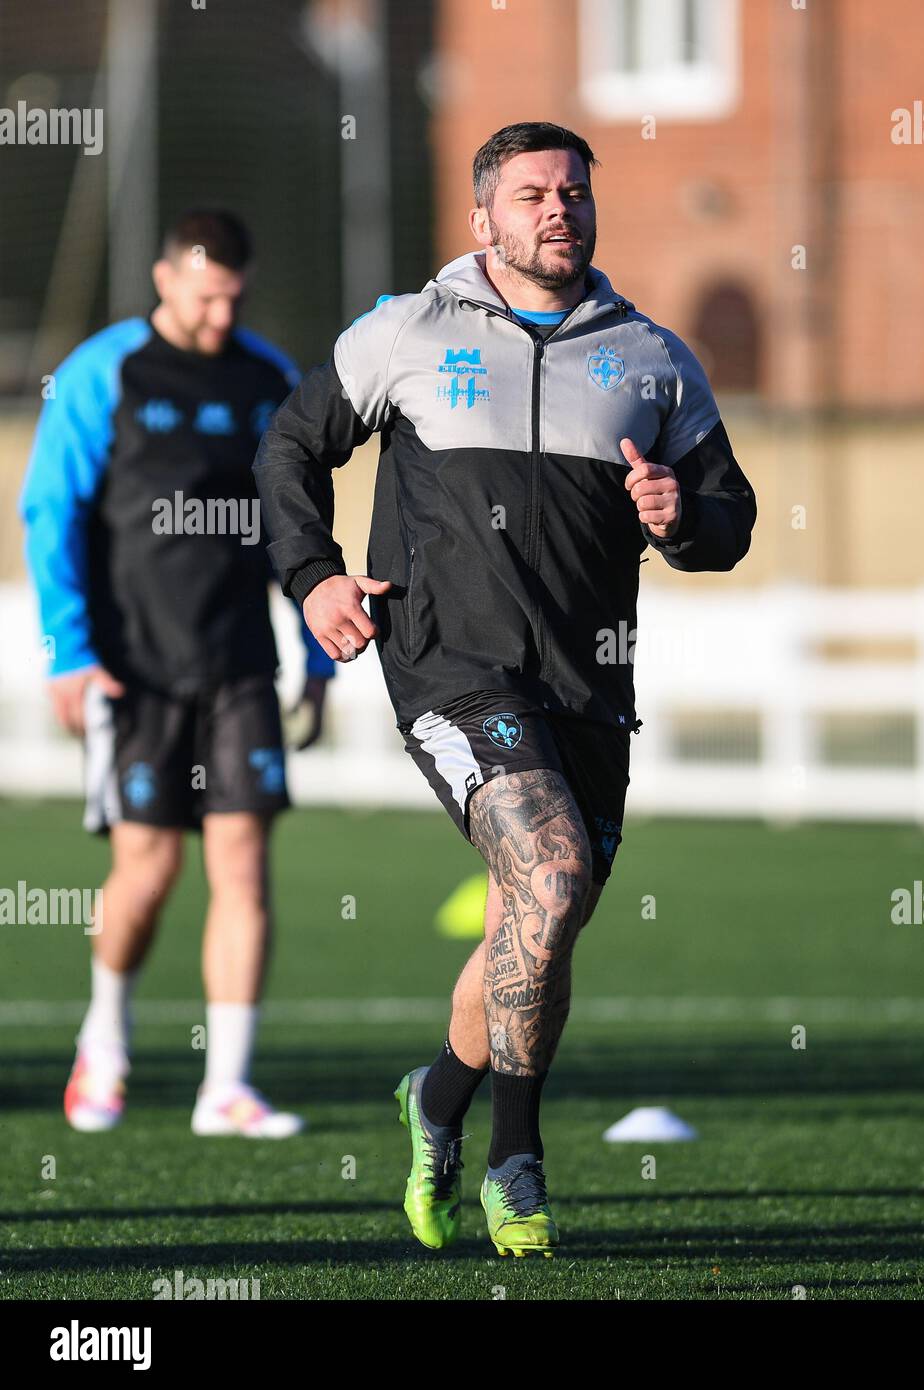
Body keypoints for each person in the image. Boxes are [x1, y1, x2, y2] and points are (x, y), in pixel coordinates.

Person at [254, 122, 756, 1252]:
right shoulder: (407, 332)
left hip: (590, 687)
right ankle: (515, 1159)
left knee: (544, 916)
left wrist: (687, 518)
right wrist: (316, 574)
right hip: (448, 665)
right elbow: (288, 447)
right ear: (483, 216)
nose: (557, 210)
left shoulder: (651, 358)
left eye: (573, 191)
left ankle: (434, 1098)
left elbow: (730, 516)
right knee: (553, 867)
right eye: (530, 193)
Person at [19, 208, 332, 1139]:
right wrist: (69, 652)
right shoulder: (103, 373)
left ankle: (226, 1087)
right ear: (165, 280)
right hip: (134, 670)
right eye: (203, 297)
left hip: (240, 665)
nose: (217, 316)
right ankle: (105, 1044)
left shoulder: (268, 377)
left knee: (244, 867)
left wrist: (314, 656)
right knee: (146, 872)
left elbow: (294, 528)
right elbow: (51, 514)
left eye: (233, 297)